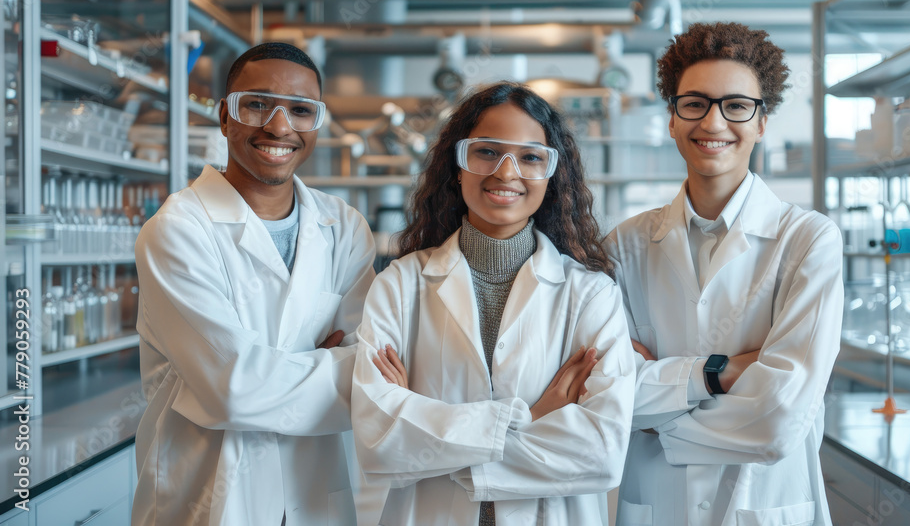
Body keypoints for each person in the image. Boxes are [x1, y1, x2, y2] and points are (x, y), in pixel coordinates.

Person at [350, 82, 636, 525]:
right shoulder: (401, 285)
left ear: (551, 175)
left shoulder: (590, 295)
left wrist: (428, 428)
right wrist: (534, 417)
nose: (506, 172)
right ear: (458, 165)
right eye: (486, 152)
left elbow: (600, 451)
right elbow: (378, 438)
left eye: (530, 157)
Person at [606, 22, 843, 526]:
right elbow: (605, 393)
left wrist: (652, 415)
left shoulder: (808, 240)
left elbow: (780, 419)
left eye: (736, 106)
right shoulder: (623, 247)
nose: (713, 123)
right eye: (694, 103)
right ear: (672, 118)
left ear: (761, 122)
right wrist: (725, 371)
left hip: (763, 503)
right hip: (656, 505)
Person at [132, 42, 377, 525]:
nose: (280, 127)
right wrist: (328, 361)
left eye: (301, 110)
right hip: (208, 499)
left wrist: (272, 370)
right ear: (225, 116)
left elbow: (378, 373)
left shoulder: (344, 226)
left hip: (313, 494)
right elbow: (233, 390)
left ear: (317, 123)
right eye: (258, 104)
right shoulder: (178, 228)